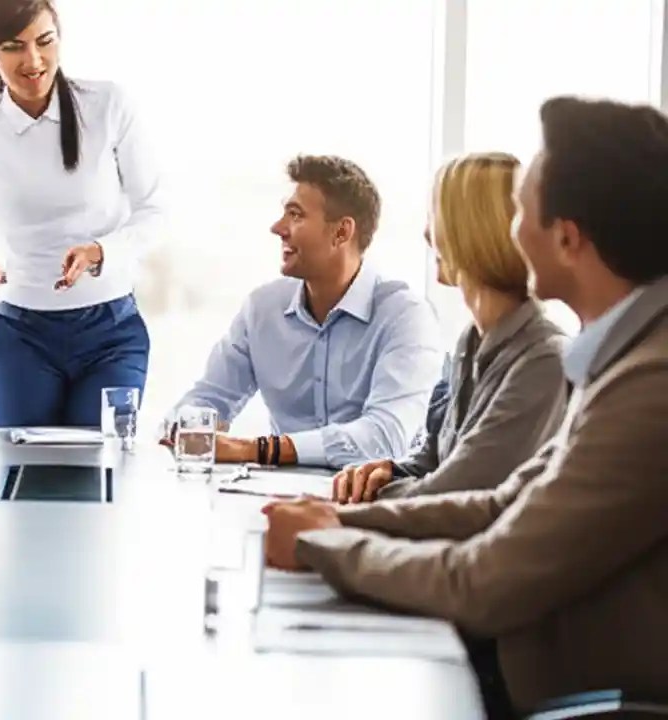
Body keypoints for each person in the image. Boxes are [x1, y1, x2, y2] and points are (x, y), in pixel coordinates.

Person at [263, 97, 668, 717]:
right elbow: (501, 504)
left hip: (575, 699)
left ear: (566, 237)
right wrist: (337, 521)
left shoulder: (649, 384)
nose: (509, 231)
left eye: (521, 212)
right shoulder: (623, 360)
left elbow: (483, 581)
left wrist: (324, 545)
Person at [0, 0, 165, 427]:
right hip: (23, 336)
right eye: (14, 47)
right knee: (22, 462)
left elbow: (155, 210)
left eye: (45, 41)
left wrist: (100, 252)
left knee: (102, 457)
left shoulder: (108, 105)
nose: (33, 61)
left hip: (111, 331)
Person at [165, 155, 443, 468]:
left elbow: (385, 437)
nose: (278, 228)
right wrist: (184, 425)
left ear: (342, 232)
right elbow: (207, 399)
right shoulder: (262, 309)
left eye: (295, 215)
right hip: (272, 491)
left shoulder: (406, 317)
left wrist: (259, 449)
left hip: (371, 495)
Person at [332, 152, 568, 503]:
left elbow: (460, 490)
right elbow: (436, 461)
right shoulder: (469, 343)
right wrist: (388, 473)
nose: (427, 235)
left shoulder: (544, 360)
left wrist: (351, 507)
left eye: (436, 216)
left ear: (471, 231)